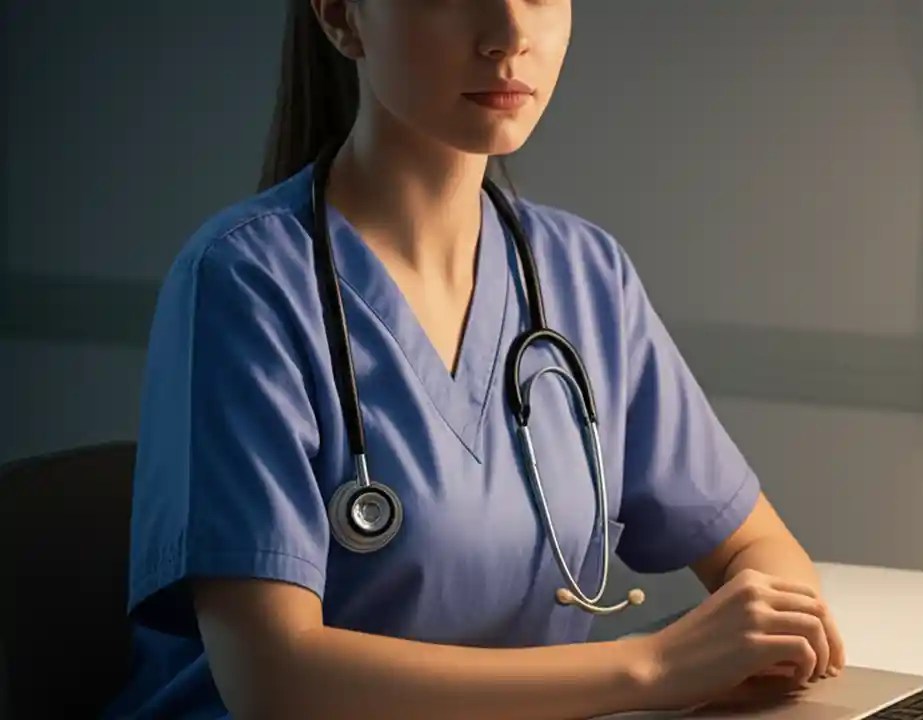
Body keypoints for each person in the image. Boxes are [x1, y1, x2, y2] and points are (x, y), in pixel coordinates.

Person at [105, 1, 846, 718]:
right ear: (339, 14)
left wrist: (763, 631)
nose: (509, 33)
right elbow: (273, 679)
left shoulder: (582, 274)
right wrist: (652, 668)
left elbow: (758, 548)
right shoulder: (245, 281)